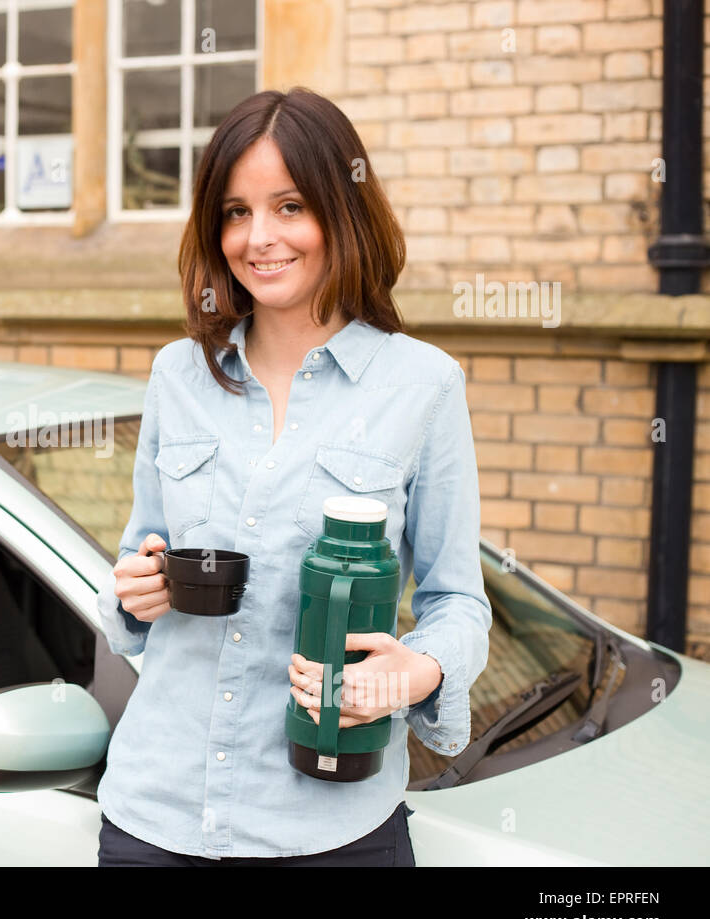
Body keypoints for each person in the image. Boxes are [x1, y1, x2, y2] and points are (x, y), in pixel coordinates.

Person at [95, 87, 493, 866]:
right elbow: (140, 560)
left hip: (330, 827)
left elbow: (457, 600)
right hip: (156, 816)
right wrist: (134, 590)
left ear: (342, 214)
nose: (260, 238)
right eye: (236, 212)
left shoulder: (423, 385)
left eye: (289, 206)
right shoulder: (179, 374)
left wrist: (418, 670)